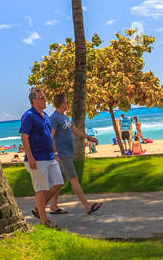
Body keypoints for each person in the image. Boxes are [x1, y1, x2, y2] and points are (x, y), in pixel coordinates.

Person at [48, 94, 102, 215]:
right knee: (74, 179)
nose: (68, 104)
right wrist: (55, 153)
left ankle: (53, 205)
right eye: (66, 102)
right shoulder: (54, 118)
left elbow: (74, 129)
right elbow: (50, 136)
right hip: (62, 155)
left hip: (67, 153)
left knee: (58, 182)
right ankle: (87, 206)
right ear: (62, 103)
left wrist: (88, 137)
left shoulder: (64, 117)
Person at [20, 87, 63, 227]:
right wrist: (30, 158)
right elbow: (24, 138)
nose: (46, 100)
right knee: (40, 188)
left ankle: (38, 209)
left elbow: (50, 137)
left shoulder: (45, 115)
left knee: (58, 183)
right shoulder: (28, 116)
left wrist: (55, 153)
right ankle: (44, 221)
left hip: (49, 156)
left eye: (44, 97)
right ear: (34, 100)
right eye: (42, 97)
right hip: (37, 158)